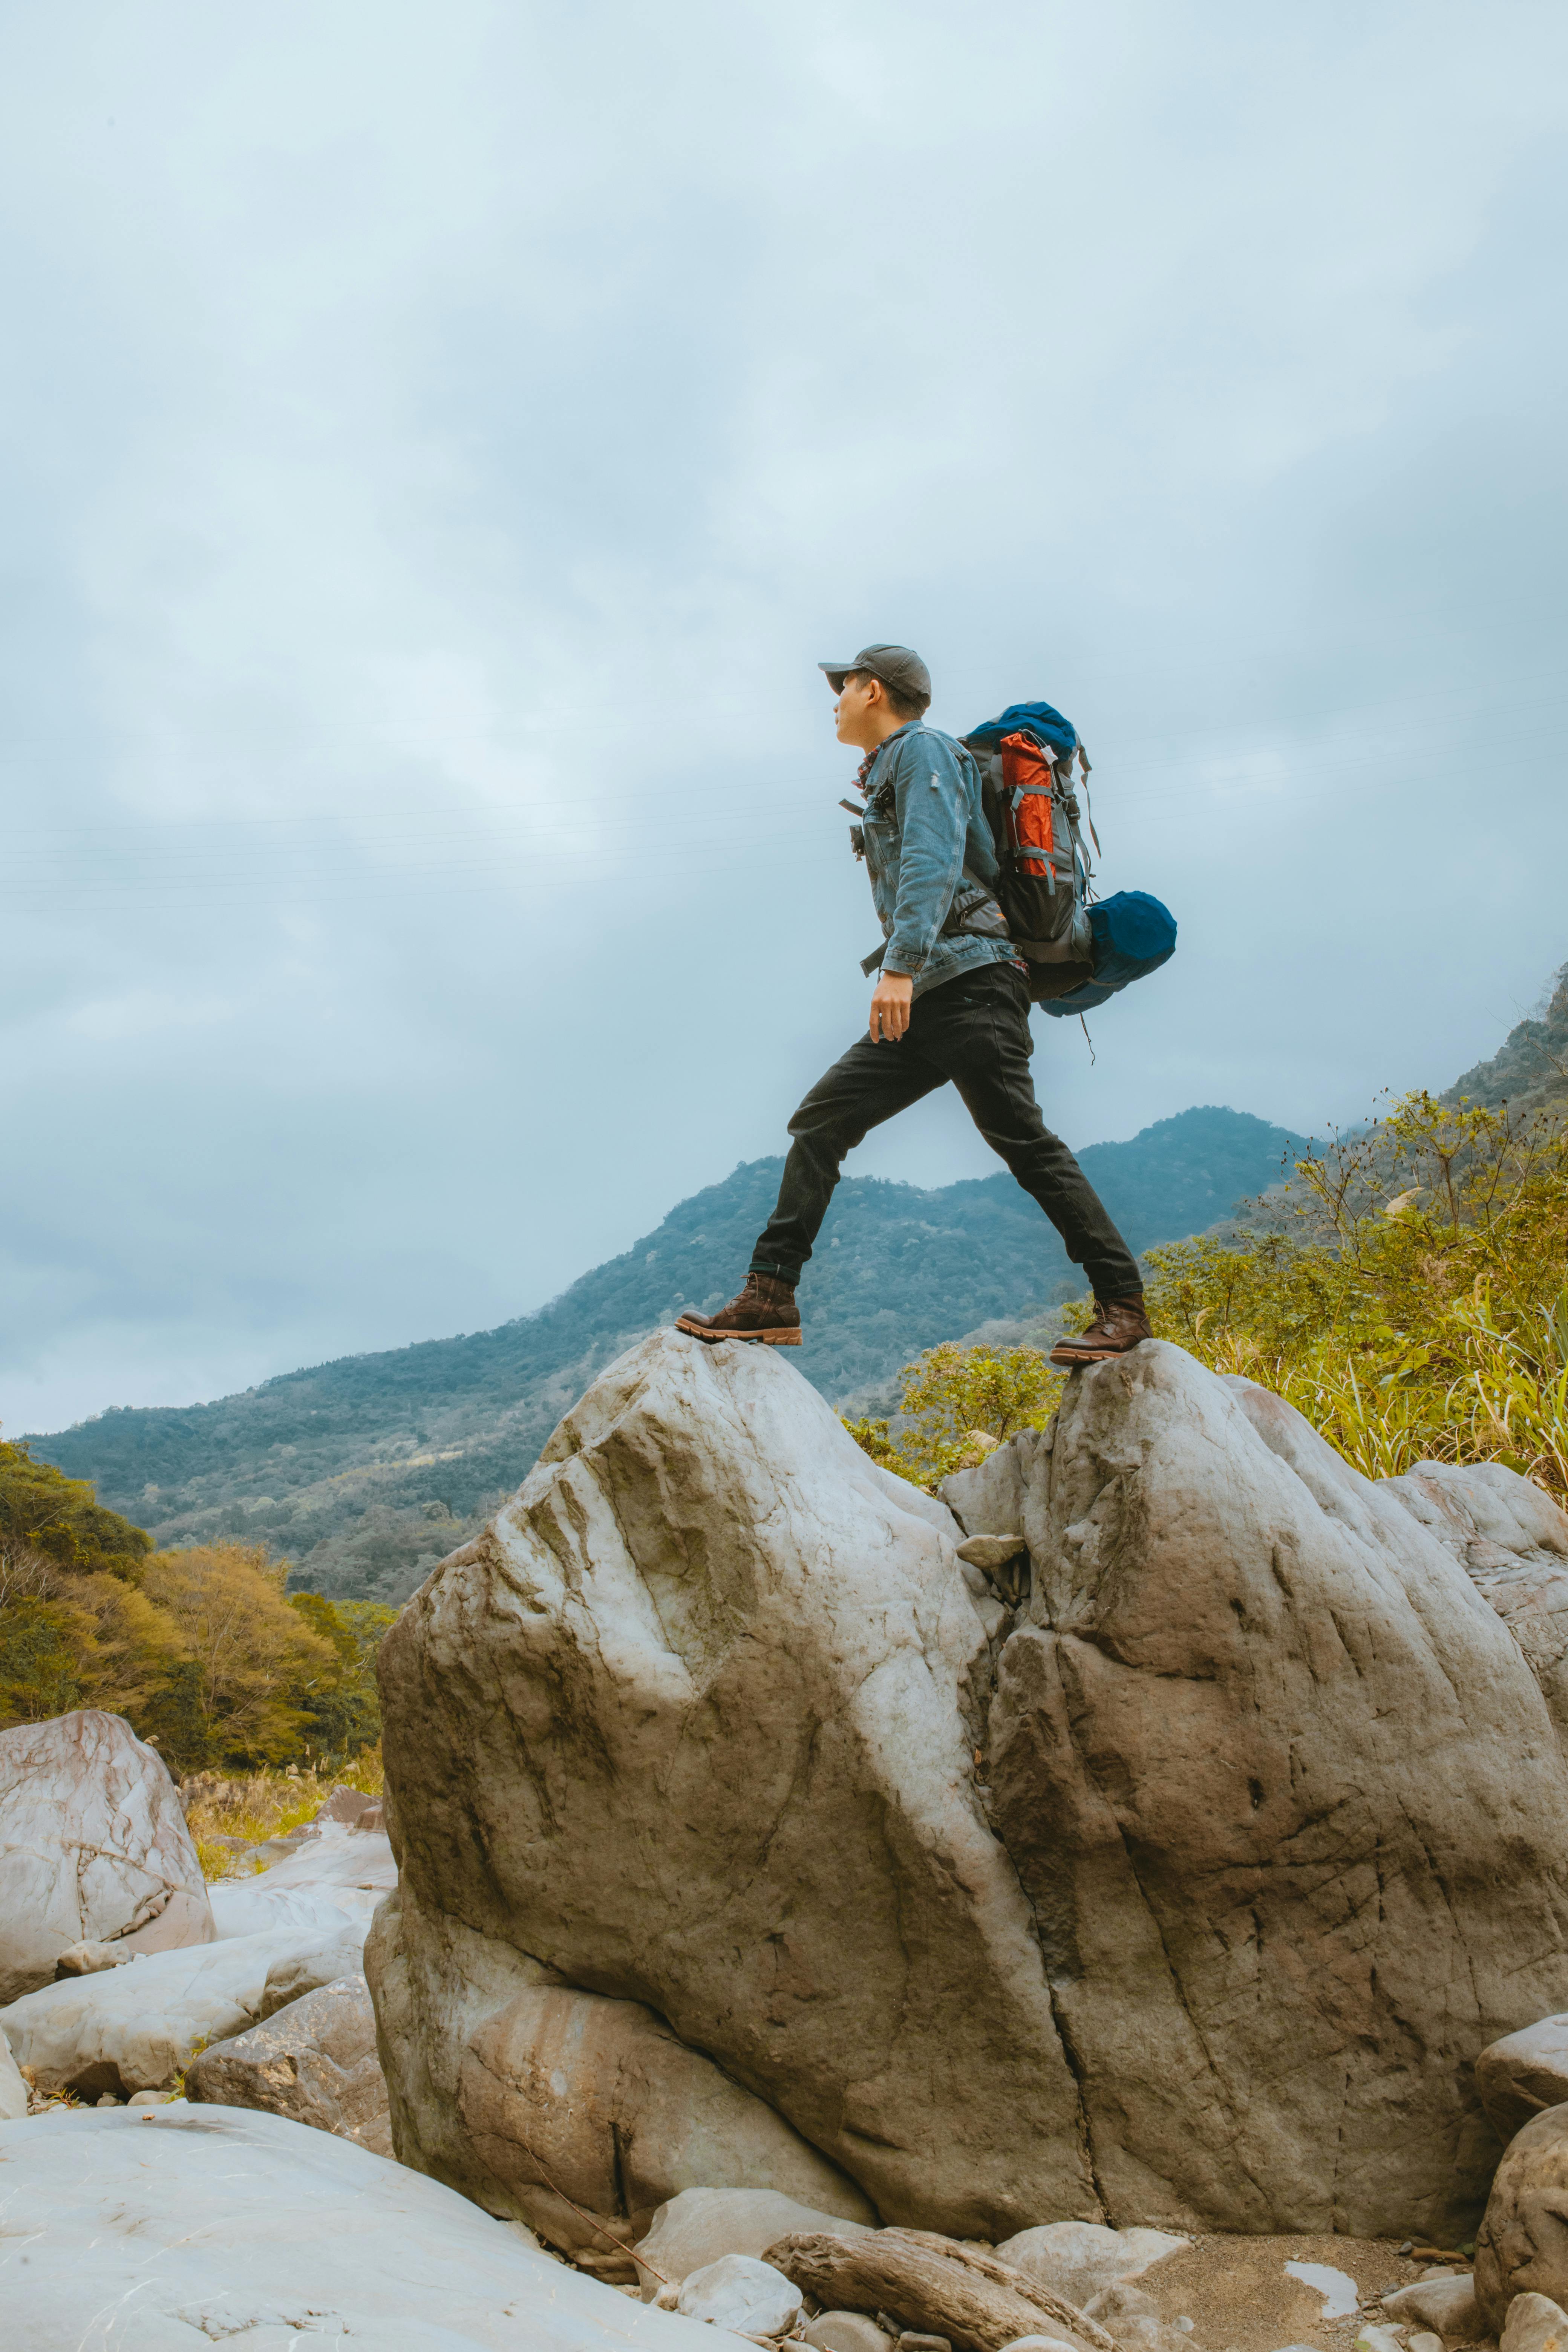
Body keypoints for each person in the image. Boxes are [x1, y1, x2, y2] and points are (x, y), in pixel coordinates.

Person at [675, 643, 1152, 1368]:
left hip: (969, 983)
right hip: (933, 993)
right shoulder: (897, 765)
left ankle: (1124, 1306)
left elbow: (932, 856)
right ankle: (771, 1295)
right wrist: (908, 978)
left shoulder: (922, 750)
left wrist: (898, 969)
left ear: (873, 690)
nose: (834, 700)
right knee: (822, 1119)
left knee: (1026, 1146)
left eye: (842, 688)